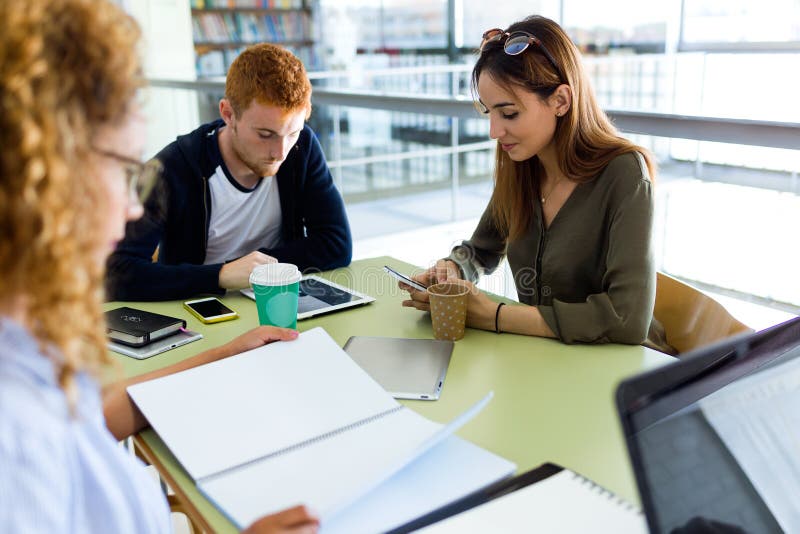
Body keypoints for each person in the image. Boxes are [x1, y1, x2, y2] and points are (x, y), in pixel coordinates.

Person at [0, 1, 318, 532]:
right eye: (124, 169)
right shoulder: (16, 445)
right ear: (45, 176)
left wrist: (222, 356)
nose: (131, 206)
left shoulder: (27, 341)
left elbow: (86, 419)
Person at [402, 15, 672, 354]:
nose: (494, 132)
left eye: (509, 113)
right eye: (490, 113)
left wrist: (495, 316)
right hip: (548, 358)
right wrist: (451, 272)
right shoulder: (522, 168)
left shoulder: (624, 174)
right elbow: (481, 250)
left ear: (560, 100)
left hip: (622, 366)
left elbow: (627, 318)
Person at [106, 43, 351, 301]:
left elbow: (336, 244)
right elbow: (116, 272)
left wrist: (254, 269)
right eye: (265, 135)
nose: (280, 152)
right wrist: (221, 275)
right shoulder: (172, 169)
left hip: (275, 302)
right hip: (200, 309)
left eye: (292, 133)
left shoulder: (302, 148)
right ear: (228, 114)